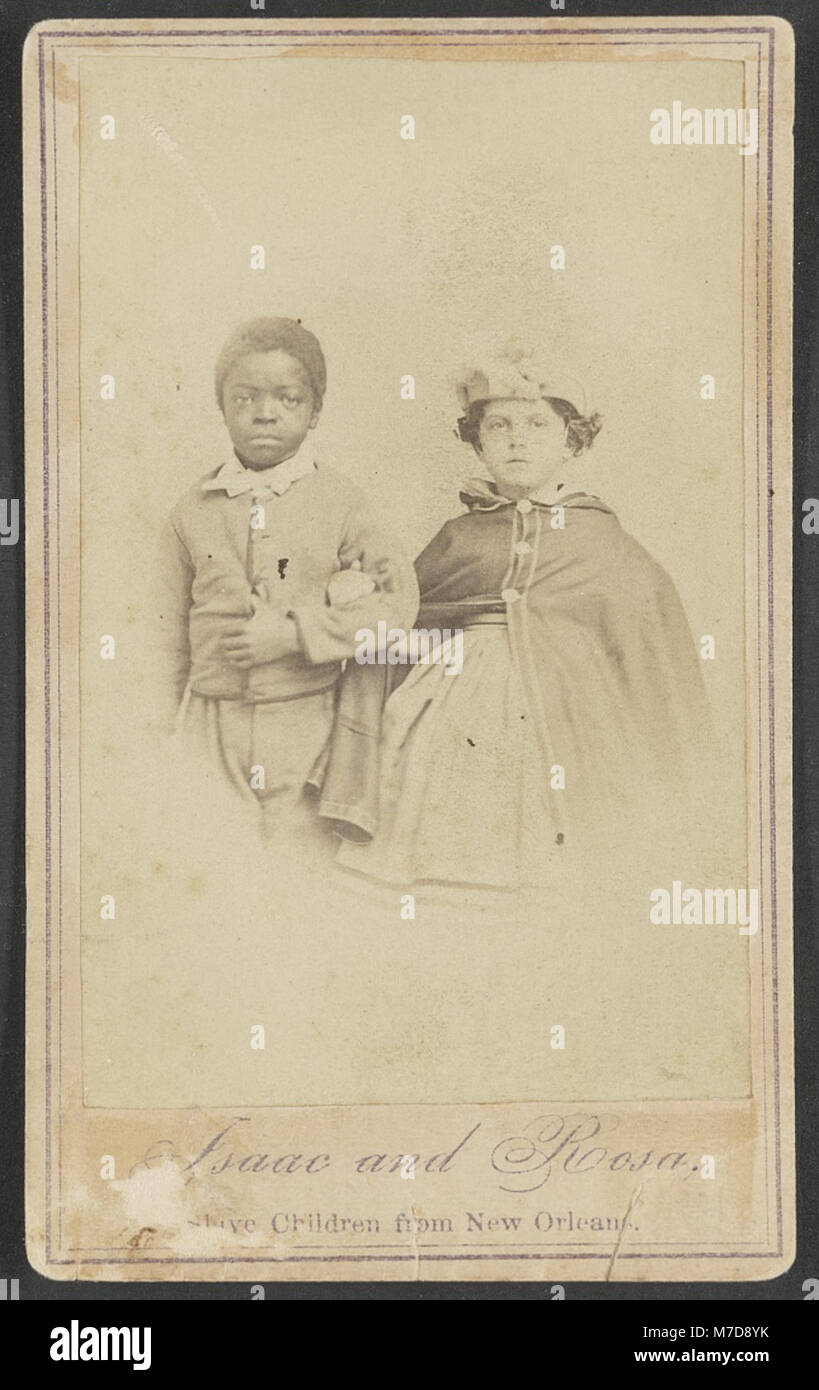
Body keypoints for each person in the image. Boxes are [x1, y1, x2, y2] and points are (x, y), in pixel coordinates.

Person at [337, 348, 717, 893]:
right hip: (448, 699)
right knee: (433, 813)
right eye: (499, 425)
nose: (517, 439)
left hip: (565, 712)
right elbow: (408, 618)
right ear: (478, 440)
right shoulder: (459, 535)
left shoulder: (600, 541)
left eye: (538, 424)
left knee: (549, 857)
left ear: (572, 441)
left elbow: (649, 647)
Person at [152, 316, 419, 860]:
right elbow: (160, 637)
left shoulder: (343, 501)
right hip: (209, 723)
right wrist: (152, 735)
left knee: (295, 872)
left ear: (315, 410)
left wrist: (297, 634)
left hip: (307, 723)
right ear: (221, 406)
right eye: (245, 397)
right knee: (211, 865)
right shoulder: (190, 510)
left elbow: (399, 605)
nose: (265, 412)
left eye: (288, 398)